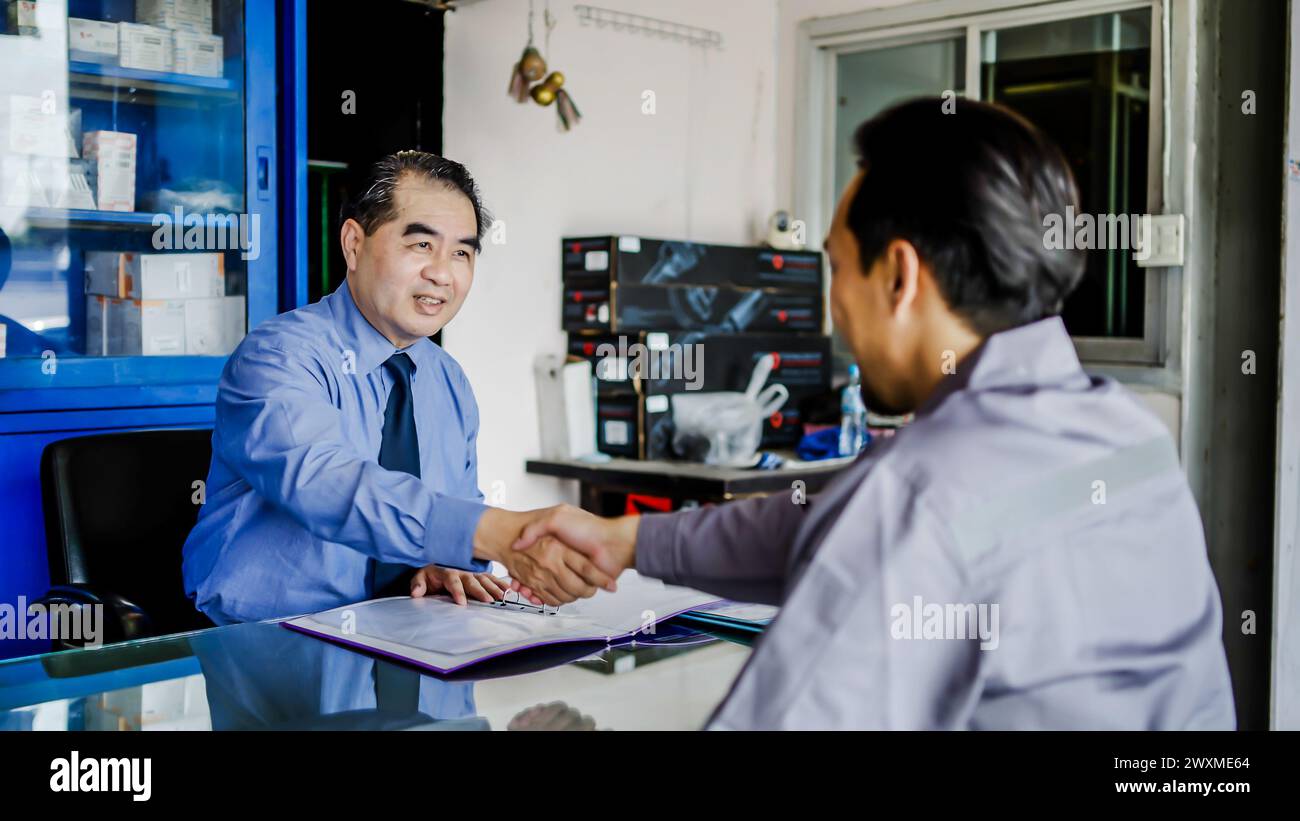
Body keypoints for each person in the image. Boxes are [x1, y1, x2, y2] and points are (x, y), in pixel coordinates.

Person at [510, 98, 1237, 730]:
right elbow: (830, 527)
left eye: (834, 267)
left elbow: (890, 528)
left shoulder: (919, 497)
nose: (831, 306)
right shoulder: (1126, 432)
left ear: (898, 276)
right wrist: (629, 538)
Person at [183, 151, 612, 625]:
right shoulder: (278, 357)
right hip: (270, 643)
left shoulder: (447, 380)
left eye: (462, 253)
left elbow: (453, 515)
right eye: (422, 246)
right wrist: (500, 533)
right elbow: (326, 483)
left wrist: (443, 560)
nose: (443, 273)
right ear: (353, 244)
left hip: (407, 634)